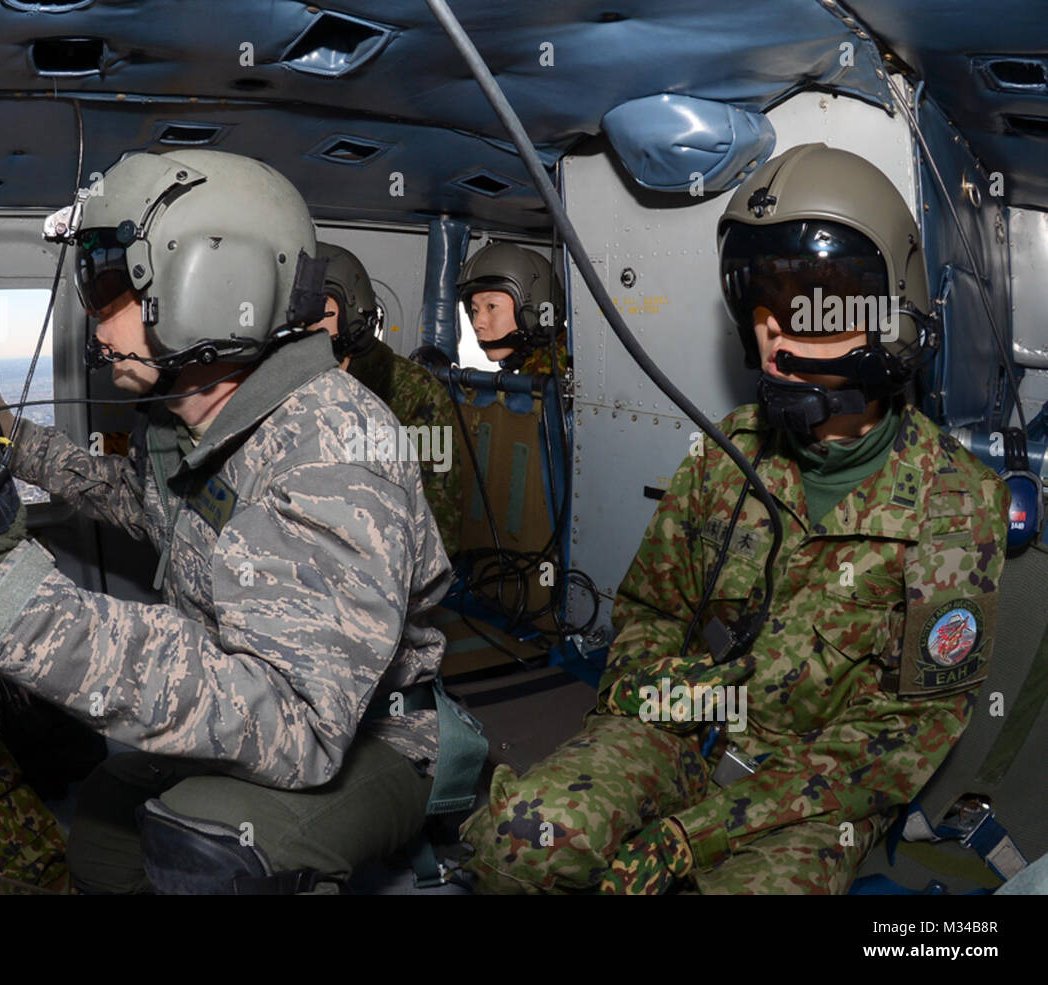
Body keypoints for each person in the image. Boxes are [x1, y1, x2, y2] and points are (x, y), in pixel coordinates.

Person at [0, 148, 460, 894]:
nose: (92, 317)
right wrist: (13, 437)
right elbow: (134, 497)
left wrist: (9, 598)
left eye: (111, 285)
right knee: (104, 832)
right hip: (247, 694)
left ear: (210, 283)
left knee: (200, 844)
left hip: (375, 738)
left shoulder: (331, 449)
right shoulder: (185, 423)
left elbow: (297, 724)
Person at [458, 142, 1012, 894]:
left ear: (894, 316)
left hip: (816, 795)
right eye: (759, 307)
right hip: (687, 731)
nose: (772, 341)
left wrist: (697, 832)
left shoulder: (957, 499)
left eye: (812, 305)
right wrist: (655, 689)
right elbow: (651, 610)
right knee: (517, 845)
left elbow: (901, 742)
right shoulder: (727, 452)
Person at [309, 241, 463, 557]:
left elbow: (440, 510)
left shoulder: (415, 391)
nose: (304, 320)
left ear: (352, 307)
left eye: (316, 305)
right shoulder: (285, 382)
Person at [456, 241, 566, 376]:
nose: (477, 324)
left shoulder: (549, 373)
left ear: (542, 312)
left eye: (491, 306)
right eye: (475, 310)